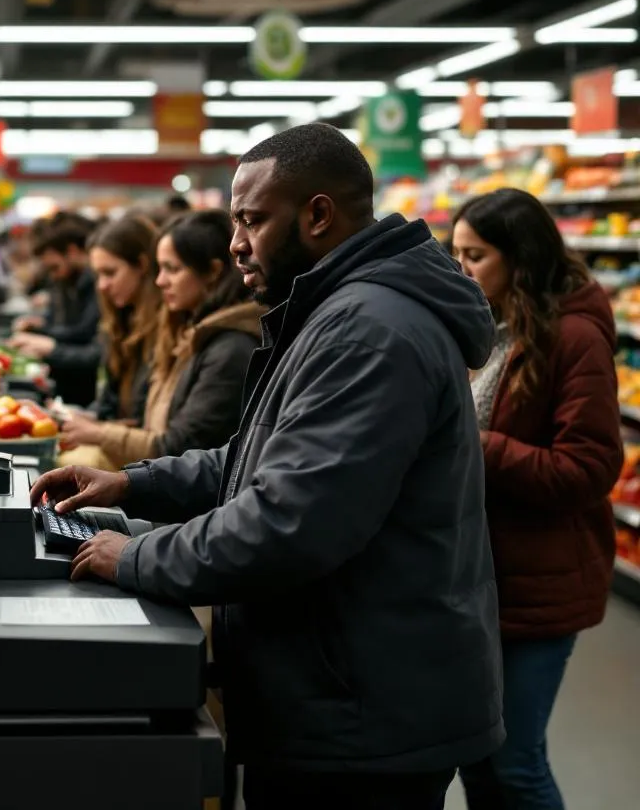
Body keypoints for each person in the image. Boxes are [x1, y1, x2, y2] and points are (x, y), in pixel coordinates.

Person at [31, 123, 504, 810]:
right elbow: (259, 457)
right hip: (341, 691)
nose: (234, 244)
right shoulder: (333, 312)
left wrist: (133, 556)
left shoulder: (369, 331)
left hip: (361, 718)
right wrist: (135, 483)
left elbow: (288, 521)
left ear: (317, 215)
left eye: (252, 220)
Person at [450, 189, 621, 810]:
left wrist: (479, 445)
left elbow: (590, 467)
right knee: (478, 760)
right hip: (481, 577)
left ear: (518, 258)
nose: (461, 268)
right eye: (456, 253)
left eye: (476, 256)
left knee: (516, 762)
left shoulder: (572, 336)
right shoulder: (482, 329)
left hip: (541, 584)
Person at [60, 209, 262, 466]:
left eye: (171, 269)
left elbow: (180, 446)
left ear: (212, 272)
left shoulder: (230, 346)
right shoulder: (188, 329)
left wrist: (102, 432)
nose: (160, 281)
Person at [34, 215, 161, 470]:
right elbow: (112, 409)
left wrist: (101, 430)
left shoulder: (162, 332)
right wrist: (60, 417)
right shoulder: (123, 322)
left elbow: (147, 430)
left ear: (143, 266)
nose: (102, 286)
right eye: (98, 274)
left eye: (110, 273)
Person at [11, 216, 101, 407]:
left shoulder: (93, 284)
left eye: (55, 267)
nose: (53, 275)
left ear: (72, 251)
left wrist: (50, 345)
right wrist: (42, 326)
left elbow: (87, 336)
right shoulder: (67, 282)